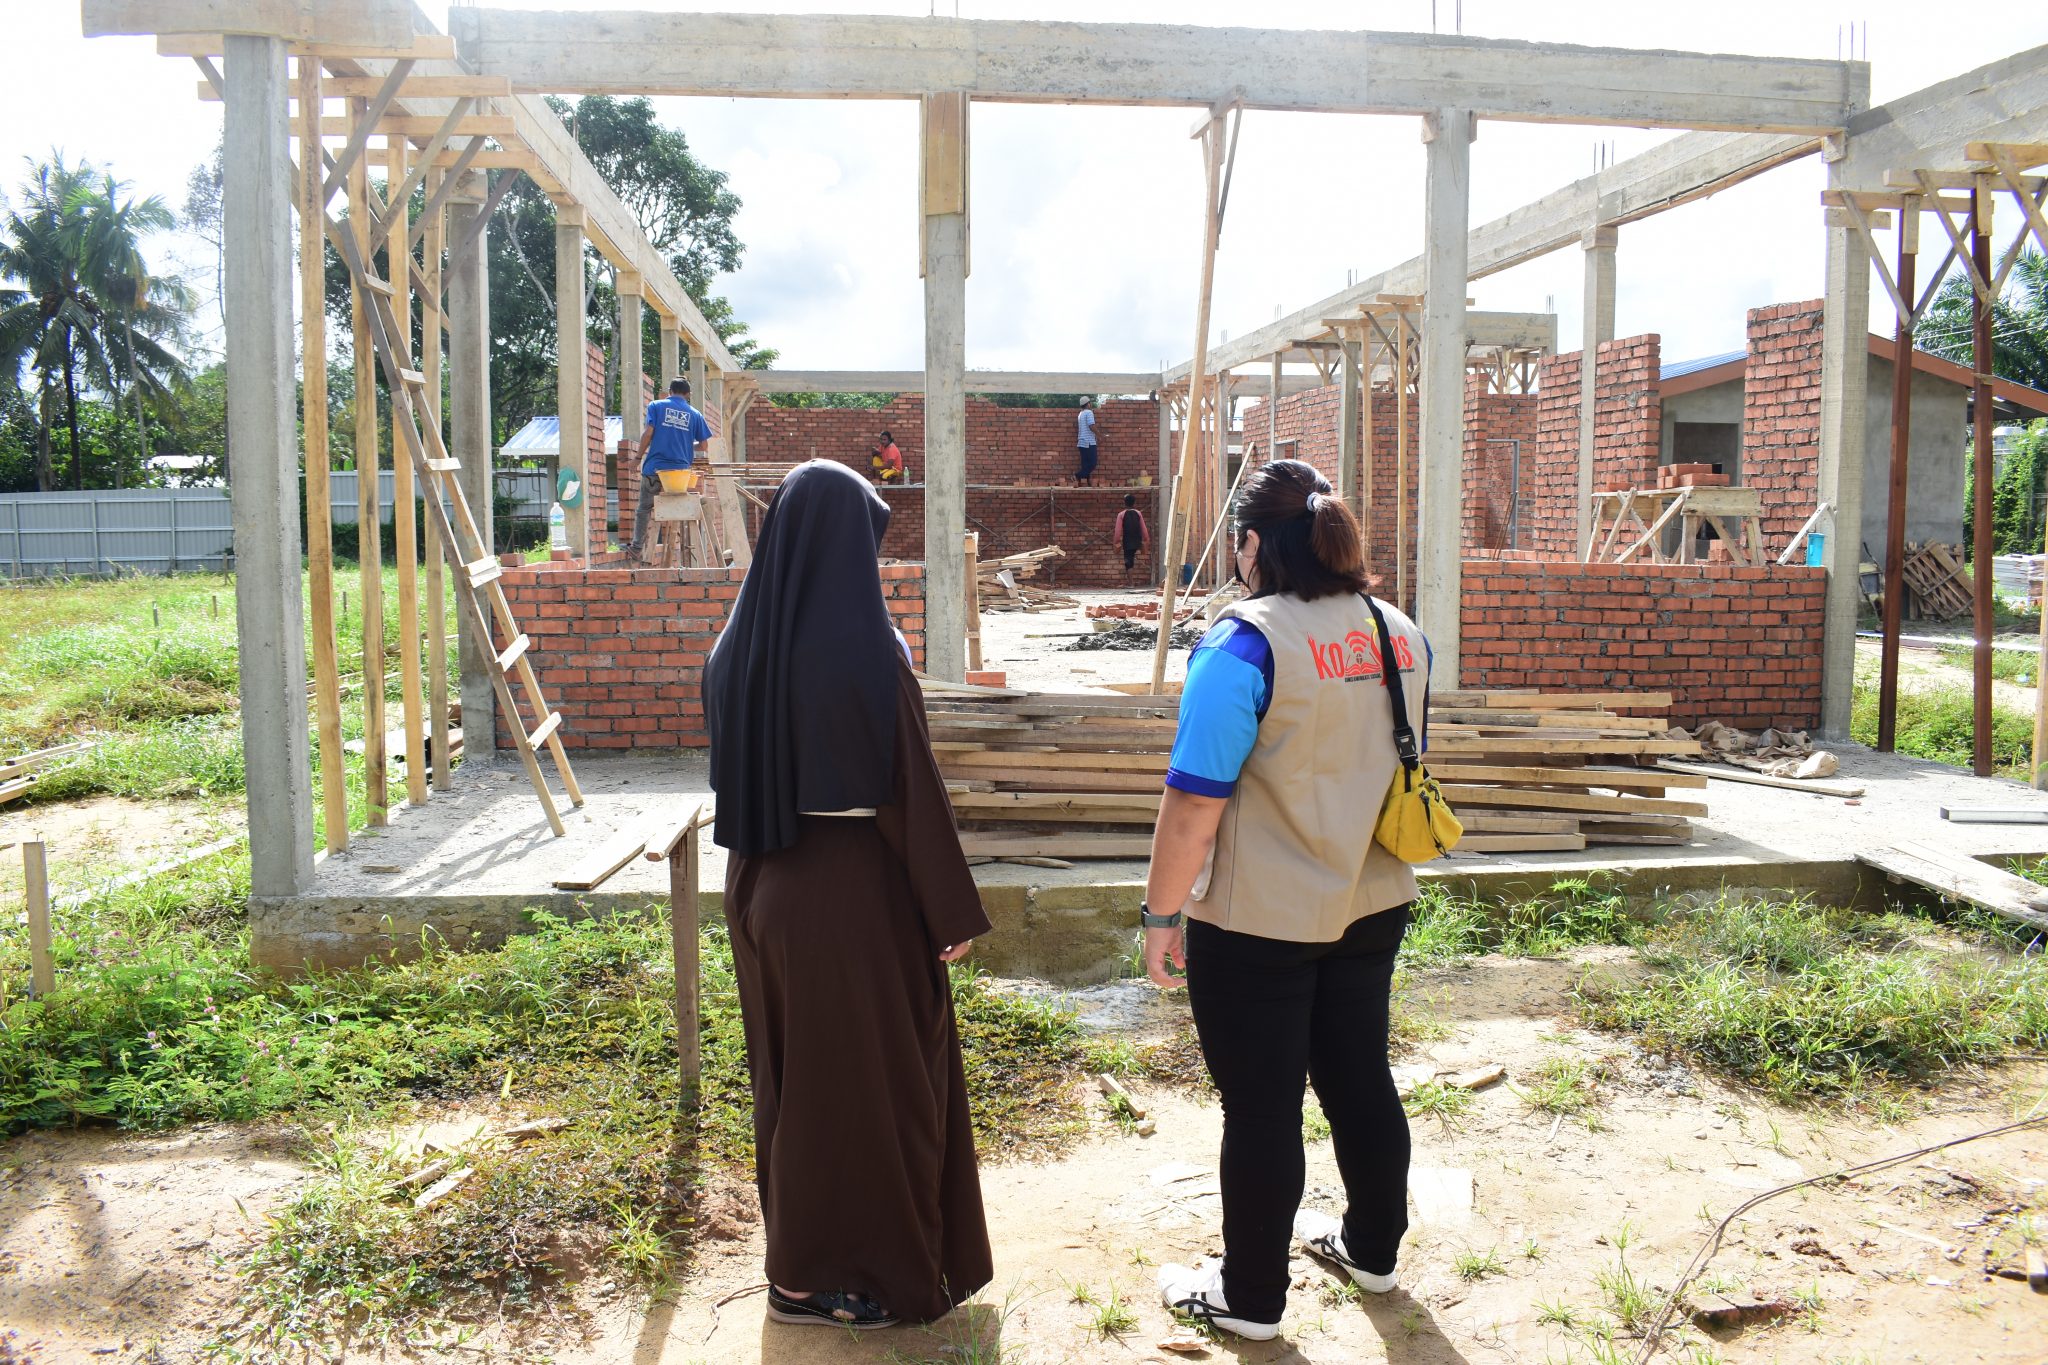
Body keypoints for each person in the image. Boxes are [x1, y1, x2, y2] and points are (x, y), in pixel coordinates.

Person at [1141, 458, 1432, 1342]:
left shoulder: (1244, 645)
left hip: (1259, 920)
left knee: (1262, 1108)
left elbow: (1195, 801)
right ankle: (1373, 1252)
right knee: (1360, 1077)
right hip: (1371, 898)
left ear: (1255, 545)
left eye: (1238, 539)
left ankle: (1250, 1299)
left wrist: (1160, 916)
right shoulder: (1400, 632)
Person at [702, 459, 994, 1331]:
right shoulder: (867, 651)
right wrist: (948, 911)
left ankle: (797, 1263)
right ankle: (837, 1276)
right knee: (874, 1095)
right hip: (847, 894)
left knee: (795, 1088)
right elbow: (910, 788)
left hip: (760, 886)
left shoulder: (736, 645)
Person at [625, 377, 713, 562]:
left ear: (670, 391)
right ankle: (685, 553)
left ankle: (637, 547)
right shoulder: (695, 414)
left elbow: (648, 433)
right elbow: (704, 446)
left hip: (655, 470)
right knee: (678, 510)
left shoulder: (656, 406)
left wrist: (637, 458)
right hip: (679, 475)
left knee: (644, 509)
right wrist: (687, 445)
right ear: (688, 394)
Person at [1115, 493, 1150, 586]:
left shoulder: (1121, 514)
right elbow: (1144, 528)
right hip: (1137, 540)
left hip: (1127, 540)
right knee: (1131, 558)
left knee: (1128, 560)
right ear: (1134, 503)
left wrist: (1116, 542)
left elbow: (1118, 531)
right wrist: (1146, 540)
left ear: (1124, 503)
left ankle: (1131, 583)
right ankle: (1131, 582)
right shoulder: (1138, 513)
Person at [1074, 397, 1100, 486]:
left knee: (1085, 465)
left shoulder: (1080, 414)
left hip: (1081, 442)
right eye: (1090, 403)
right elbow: (1091, 426)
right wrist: (1100, 435)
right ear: (1088, 404)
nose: (1091, 404)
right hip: (1088, 443)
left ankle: (1086, 483)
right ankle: (1077, 475)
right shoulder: (1089, 412)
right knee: (1093, 463)